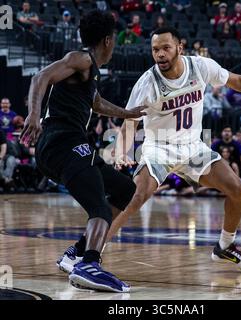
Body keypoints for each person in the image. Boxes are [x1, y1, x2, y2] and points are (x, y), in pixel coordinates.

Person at [107, 27, 241, 271]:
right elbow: (129, 122)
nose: (160, 54)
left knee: (237, 189)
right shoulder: (147, 82)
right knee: (135, 196)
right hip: (159, 147)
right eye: (155, 50)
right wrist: (122, 152)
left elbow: (237, 81)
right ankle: (89, 252)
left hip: (193, 147)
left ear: (180, 47)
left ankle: (225, 246)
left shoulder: (200, 66)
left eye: (166, 48)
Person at [20, 10, 146, 292]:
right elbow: (40, 77)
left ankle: (76, 254)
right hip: (61, 141)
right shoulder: (81, 58)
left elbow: (97, 103)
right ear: (108, 41)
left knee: (125, 189)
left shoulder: (90, 72)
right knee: (99, 208)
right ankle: (89, 265)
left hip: (67, 146)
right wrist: (33, 115)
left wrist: (128, 113)